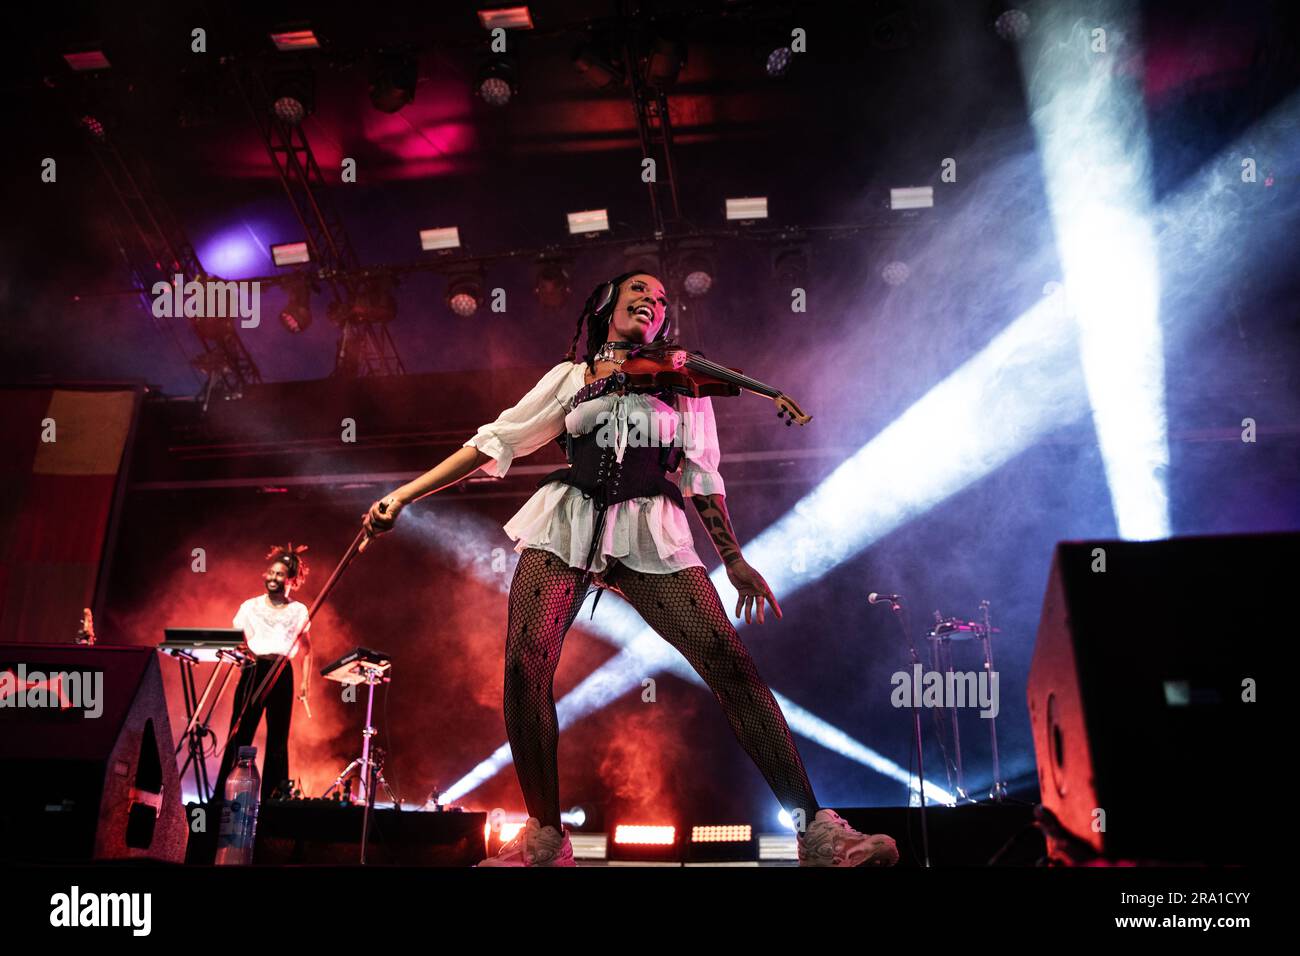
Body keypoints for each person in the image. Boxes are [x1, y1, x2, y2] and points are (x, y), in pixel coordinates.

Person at [364, 272, 897, 867]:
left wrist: (735, 560)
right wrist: (403, 495)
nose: (654, 301)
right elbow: (493, 441)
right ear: (607, 306)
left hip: (651, 529)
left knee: (729, 663)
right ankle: (544, 837)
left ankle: (816, 832)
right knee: (523, 664)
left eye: (664, 299)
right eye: (640, 290)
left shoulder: (682, 382)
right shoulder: (569, 378)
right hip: (567, 521)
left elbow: (701, 477)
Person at [213, 544, 312, 805]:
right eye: (270, 573)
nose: (272, 578)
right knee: (241, 730)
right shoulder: (250, 606)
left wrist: (304, 683)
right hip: (254, 670)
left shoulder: (299, 610)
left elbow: (307, 649)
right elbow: (238, 640)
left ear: (291, 579)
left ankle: (274, 796)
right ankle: (223, 794)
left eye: (280, 574)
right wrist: (243, 655)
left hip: (282, 670)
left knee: (278, 736)